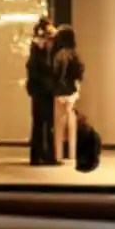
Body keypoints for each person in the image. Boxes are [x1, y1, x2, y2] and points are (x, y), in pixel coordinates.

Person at [26, 17, 58, 165]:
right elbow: (39, 68)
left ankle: (39, 155)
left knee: (41, 123)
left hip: (41, 88)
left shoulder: (38, 47)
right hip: (42, 89)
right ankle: (43, 156)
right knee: (43, 123)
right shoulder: (38, 48)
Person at [51, 24, 85, 163]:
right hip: (72, 91)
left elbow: (56, 75)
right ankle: (72, 154)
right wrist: (76, 90)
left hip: (60, 92)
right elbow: (79, 73)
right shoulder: (75, 55)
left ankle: (58, 154)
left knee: (59, 124)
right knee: (71, 121)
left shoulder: (58, 56)